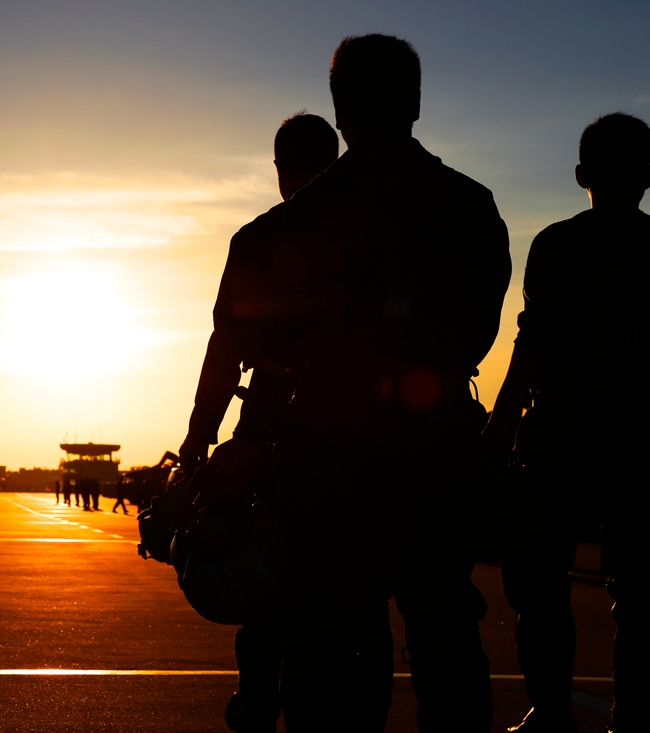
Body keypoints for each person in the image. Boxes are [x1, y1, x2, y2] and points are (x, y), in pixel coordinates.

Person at [212, 34, 511, 732]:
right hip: (435, 450)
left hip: (322, 458)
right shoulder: (471, 207)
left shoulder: (288, 227)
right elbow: (477, 332)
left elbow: (260, 352)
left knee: (330, 640)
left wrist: (236, 444)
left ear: (339, 110)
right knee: (444, 630)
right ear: (414, 103)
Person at [484, 113, 650, 733]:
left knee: (540, 583)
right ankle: (630, 721)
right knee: (643, 597)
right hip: (644, 430)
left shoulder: (556, 245)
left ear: (580, 175)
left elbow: (533, 343)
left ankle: (551, 711)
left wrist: (499, 429)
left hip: (565, 426)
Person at [179, 111, 340, 733]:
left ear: (279, 170)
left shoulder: (258, 241)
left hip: (272, 440)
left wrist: (201, 437)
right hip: (363, 441)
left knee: (266, 589)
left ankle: (257, 704)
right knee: (348, 600)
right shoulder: (373, 236)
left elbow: (224, 349)